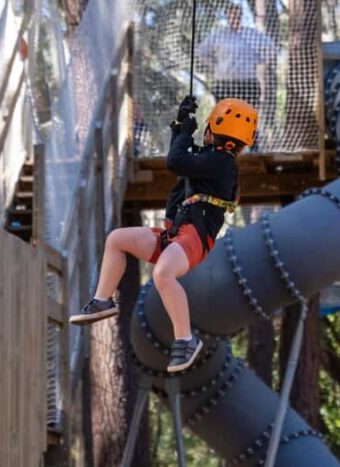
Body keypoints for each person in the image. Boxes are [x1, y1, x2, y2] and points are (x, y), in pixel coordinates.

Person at [70, 95, 258, 373]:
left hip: (194, 237)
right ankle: (103, 300)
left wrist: (185, 132)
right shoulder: (212, 161)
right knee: (117, 240)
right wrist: (179, 126)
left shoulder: (221, 163)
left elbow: (176, 161)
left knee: (163, 274)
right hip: (175, 233)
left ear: (213, 130)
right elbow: (180, 161)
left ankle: (186, 339)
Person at [197, 4, 279, 108]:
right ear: (227, 17)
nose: (234, 17)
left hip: (248, 84)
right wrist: (217, 65)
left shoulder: (251, 34)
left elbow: (272, 50)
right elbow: (202, 51)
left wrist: (257, 60)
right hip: (224, 84)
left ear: (241, 16)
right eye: (231, 15)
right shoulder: (219, 35)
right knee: (225, 116)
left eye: (237, 15)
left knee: (246, 116)